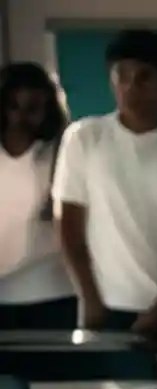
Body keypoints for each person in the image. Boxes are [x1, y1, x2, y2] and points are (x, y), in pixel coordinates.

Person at [52, 29, 157, 338]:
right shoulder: (84, 138)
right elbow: (69, 228)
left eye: (144, 77)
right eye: (122, 75)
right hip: (108, 307)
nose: (131, 86)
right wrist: (89, 299)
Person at [0, 62, 75, 329]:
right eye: (13, 106)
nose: (20, 118)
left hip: (53, 291)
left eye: (32, 108)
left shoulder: (63, 155)